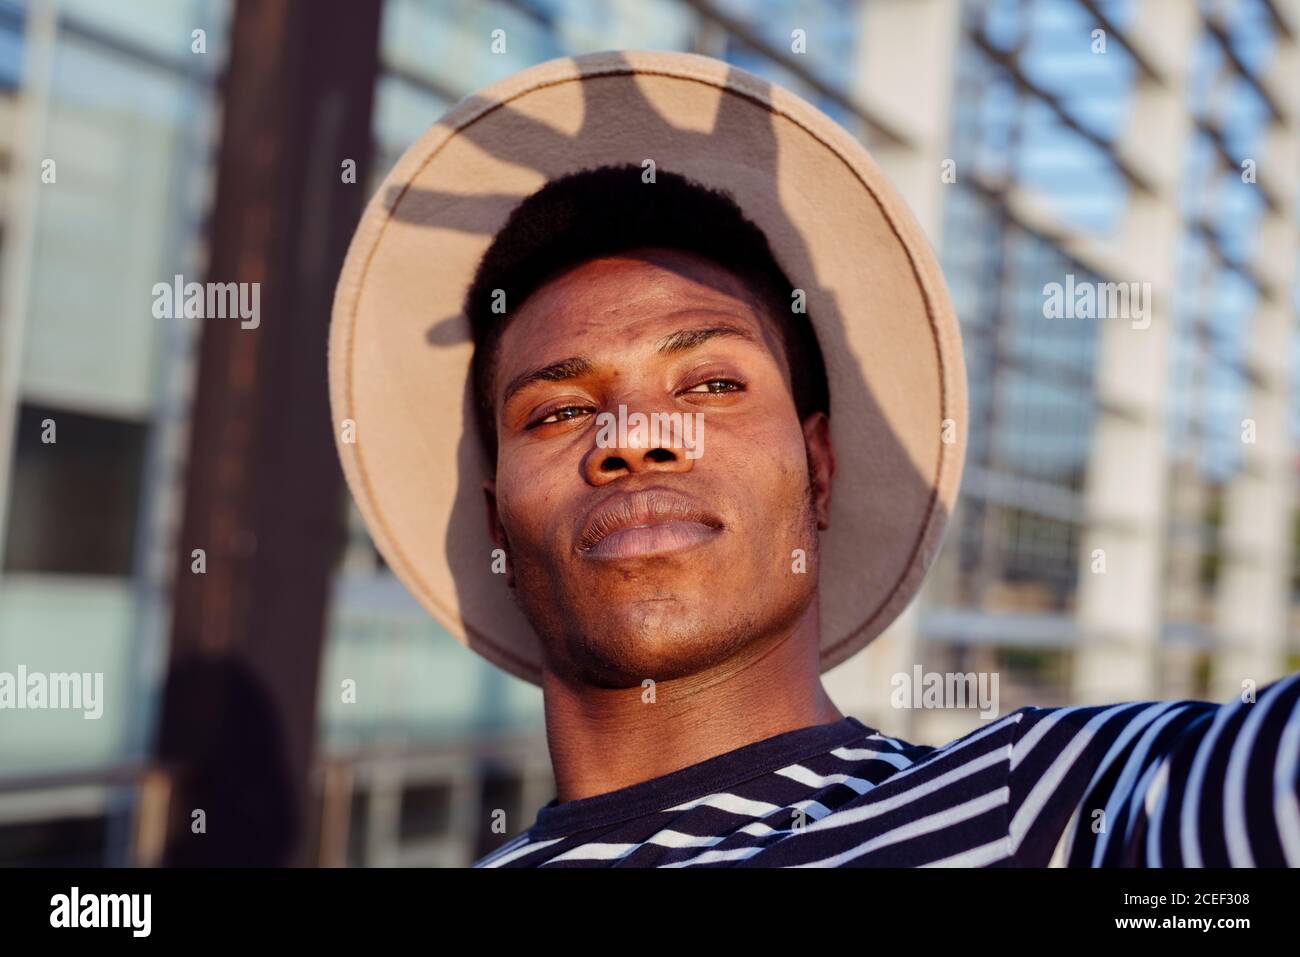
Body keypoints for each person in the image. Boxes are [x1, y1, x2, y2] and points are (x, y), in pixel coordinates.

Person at [327, 52, 1300, 868]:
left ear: (818, 468)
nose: (633, 437)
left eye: (711, 385)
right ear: (498, 520)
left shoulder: (1033, 817)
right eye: (561, 409)